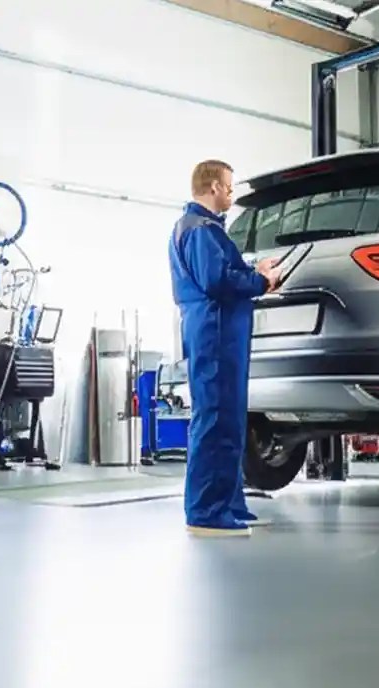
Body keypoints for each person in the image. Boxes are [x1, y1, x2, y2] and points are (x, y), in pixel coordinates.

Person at [169, 160, 280, 537]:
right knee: (215, 420)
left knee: (230, 420)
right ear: (214, 187)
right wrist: (261, 281)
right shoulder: (200, 230)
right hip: (215, 332)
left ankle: (230, 503)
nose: (231, 195)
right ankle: (205, 512)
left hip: (224, 333)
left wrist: (255, 271)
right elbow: (217, 280)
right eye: (230, 188)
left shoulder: (208, 230)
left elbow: (224, 271)